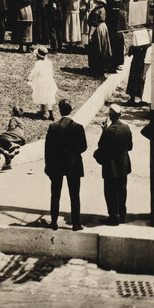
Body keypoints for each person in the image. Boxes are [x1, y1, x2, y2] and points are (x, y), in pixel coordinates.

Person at [44, 99, 87, 230]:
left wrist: (48, 165)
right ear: (71, 110)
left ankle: (54, 222)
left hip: (57, 165)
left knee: (55, 194)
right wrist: (73, 153)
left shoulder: (53, 126)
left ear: (60, 110)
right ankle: (76, 223)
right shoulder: (78, 127)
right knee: (74, 195)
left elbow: (48, 149)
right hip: (73, 165)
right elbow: (84, 147)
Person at [94, 103, 132, 225]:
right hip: (123, 166)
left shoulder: (109, 131)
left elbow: (101, 146)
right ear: (120, 115)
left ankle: (113, 216)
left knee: (110, 193)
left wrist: (104, 131)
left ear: (110, 116)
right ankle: (122, 215)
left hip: (111, 167)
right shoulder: (126, 128)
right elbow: (130, 147)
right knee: (122, 191)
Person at [28, 46, 58, 120]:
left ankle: (44, 111)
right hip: (49, 81)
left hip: (42, 82)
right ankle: (48, 112)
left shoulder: (38, 63)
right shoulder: (48, 62)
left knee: (42, 95)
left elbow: (34, 72)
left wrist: (29, 78)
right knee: (48, 97)